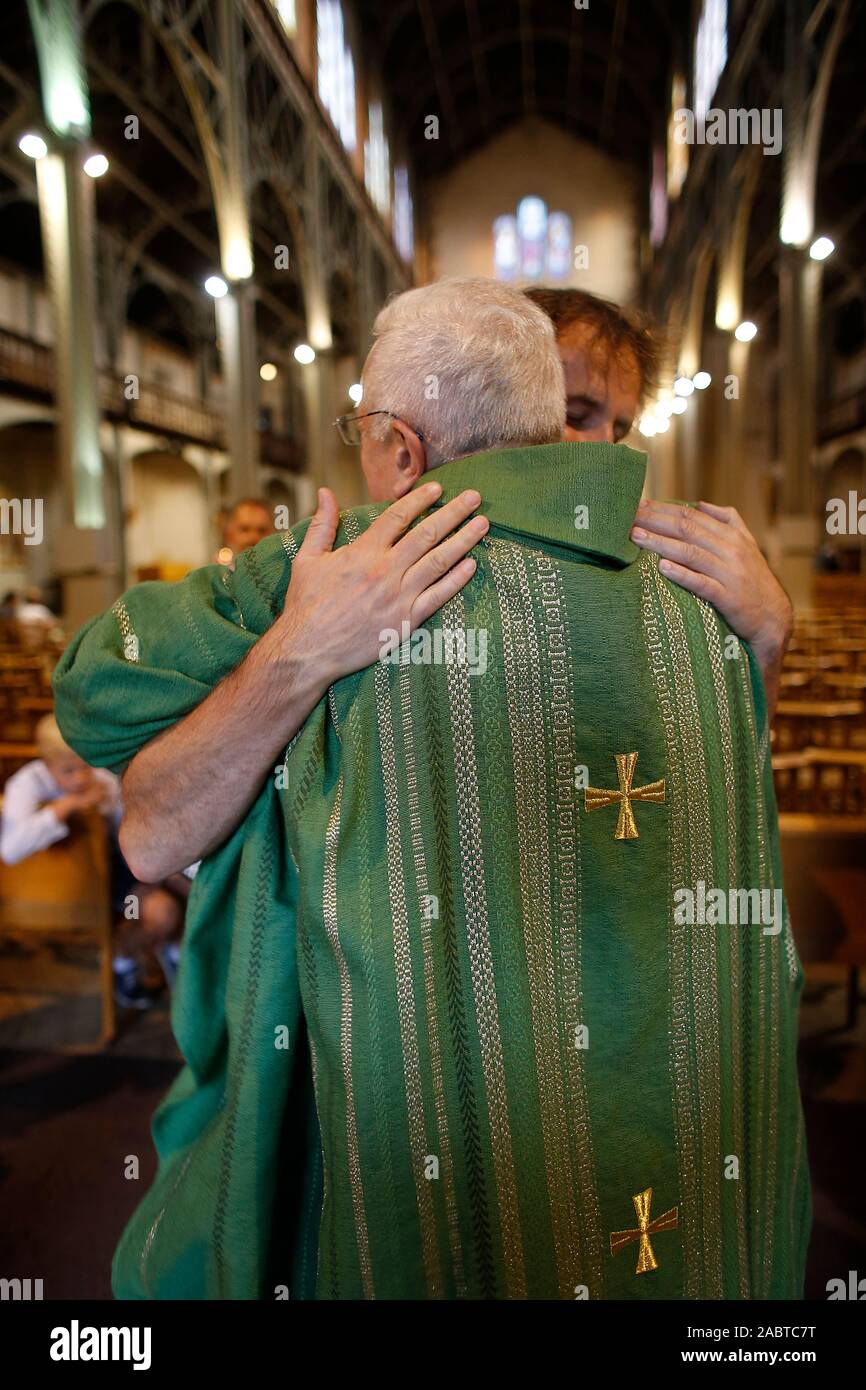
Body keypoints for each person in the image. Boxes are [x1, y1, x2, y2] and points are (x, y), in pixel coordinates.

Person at [54, 277, 809, 1300]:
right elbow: (142, 807)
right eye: (573, 418)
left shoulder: (705, 589)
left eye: (616, 428)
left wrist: (765, 640)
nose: (592, 458)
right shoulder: (348, 572)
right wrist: (295, 652)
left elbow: (100, 690)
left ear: (399, 441)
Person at [524, 287, 794, 716]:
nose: (606, 450)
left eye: (620, 430)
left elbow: (727, 752)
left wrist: (769, 632)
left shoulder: (659, 572)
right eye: (575, 416)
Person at [0, 715, 184, 1008]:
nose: (81, 777)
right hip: (75, 891)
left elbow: (131, 836)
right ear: (46, 765)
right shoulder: (26, 785)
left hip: (123, 879)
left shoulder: (101, 779)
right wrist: (65, 807)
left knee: (180, 894)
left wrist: (110, 803)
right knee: (159, 913)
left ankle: (168, 952)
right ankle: (123, 955)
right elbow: (10, 849)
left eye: (85, 765)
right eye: (68, 770)